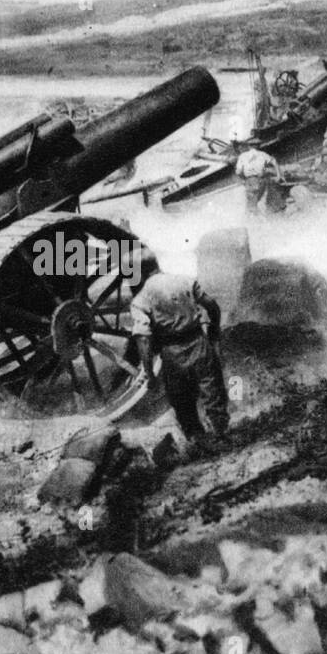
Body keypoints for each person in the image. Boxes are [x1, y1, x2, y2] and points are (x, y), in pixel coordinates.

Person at [129, 250, 229, 445]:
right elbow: (212, 306)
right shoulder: (185, 281)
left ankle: (197, 440)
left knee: (181, 399)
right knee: (212, 389)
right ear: (156, 264)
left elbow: (143, 340)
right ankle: (221, 435)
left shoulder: (140, 300)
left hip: (172, 352)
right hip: (198, 342)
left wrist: (149, 374)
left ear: (139, 272)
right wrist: (214, 330)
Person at [234, 142, 288, 215]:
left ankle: (253, 221)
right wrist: (278, 175)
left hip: (250, 181)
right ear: (258, 146)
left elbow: (238, 172)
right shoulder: (263, 154)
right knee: (266, 195)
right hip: (262, 180)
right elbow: (274, 162)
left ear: (249, 146)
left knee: (251, 204)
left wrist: (243, 179)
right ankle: (273, 213)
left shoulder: (243, 156)